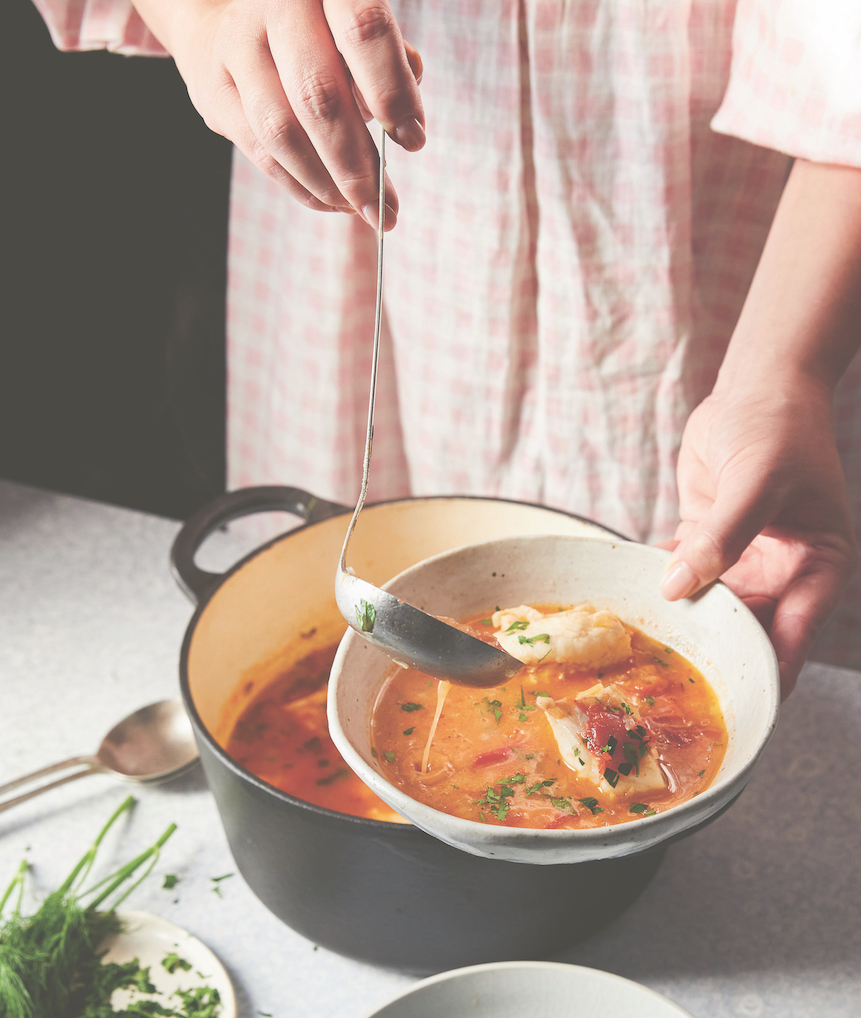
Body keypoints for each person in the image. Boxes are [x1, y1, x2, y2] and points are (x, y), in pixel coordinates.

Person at [34, 0, 861, 695]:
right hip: (348, 188)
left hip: (767, 257)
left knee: (717, 600)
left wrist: (782, 372)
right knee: (328, 639)